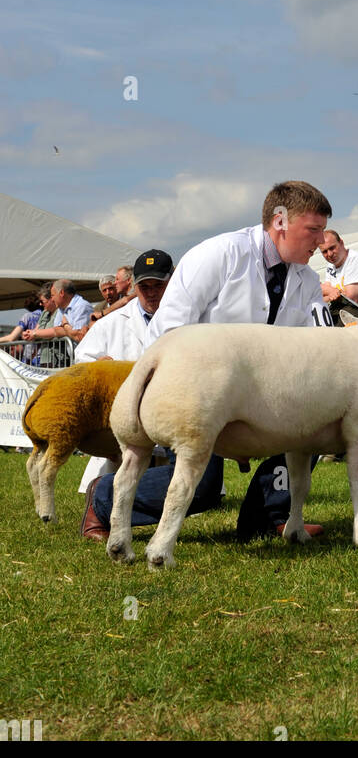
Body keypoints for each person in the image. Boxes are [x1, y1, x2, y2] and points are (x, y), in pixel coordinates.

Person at [80, 183, 333, 543]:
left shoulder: (307, 279)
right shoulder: (219, 254)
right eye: (313, 229)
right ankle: (103, 498)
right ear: (280, 221)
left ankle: (267, 517)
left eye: (323, 230)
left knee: (310, 427)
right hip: (196, 394)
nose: (321, 240)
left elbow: (320, 342)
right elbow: (168, 329)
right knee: (203, 488)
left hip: (260, 400)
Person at [75, 250, 174, 499]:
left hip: (169, 411)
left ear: (171, 283)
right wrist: (98, 365)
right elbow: (81, 357)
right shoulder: (112, 323)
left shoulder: (186, 319)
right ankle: (104, 493)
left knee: (176, 477)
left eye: (158, 286)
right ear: (133, 287)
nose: (151, 293)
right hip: (125, 415)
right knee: (119, 469)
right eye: (144, 286)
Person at [319, 231, 358, 317]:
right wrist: (334, 293)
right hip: (352, 322)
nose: (329, 254)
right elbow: (321, 296)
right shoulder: (331, 265)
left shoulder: (356, 260)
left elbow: (353, 301)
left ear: (341, 243)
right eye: (325, 251)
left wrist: (330, 291)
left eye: (332, 248)